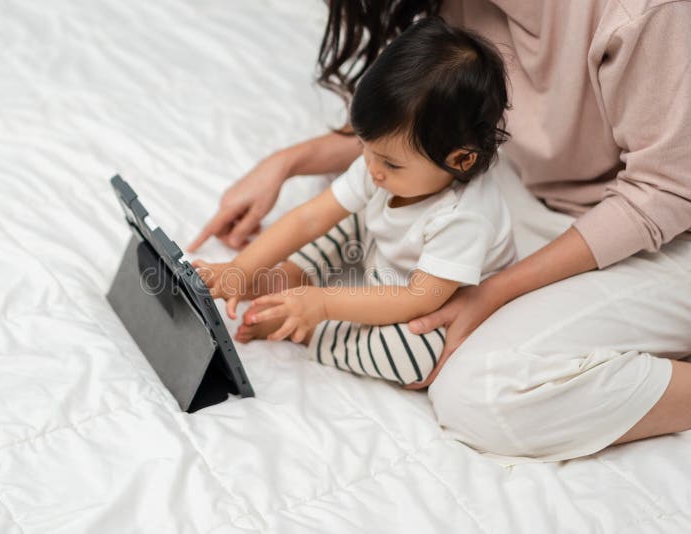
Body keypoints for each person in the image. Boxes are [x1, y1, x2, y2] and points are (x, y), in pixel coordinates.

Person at [188, 0, 691, 463]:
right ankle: (285, 285)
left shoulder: (645, 14)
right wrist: (285, 166)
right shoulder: (460, 33)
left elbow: (663, 192)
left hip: (666, 233)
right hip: (543, 198)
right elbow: (413, 132)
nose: (372, 167)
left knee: (476, 393)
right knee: (376, 201)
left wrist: (490, 293)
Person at [193, 17, 516, 386]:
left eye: (390, 162)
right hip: (381, 256)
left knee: (414, 355)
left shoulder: (465, 217)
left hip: (425, 296)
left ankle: (313, 332)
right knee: (343, 217)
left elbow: (417, 300)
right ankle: (285, 279)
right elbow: (310, 219)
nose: (372, 169)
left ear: (460, 159)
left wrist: (324, 305)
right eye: (366, 149)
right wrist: (241, 268)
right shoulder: (384, 168)